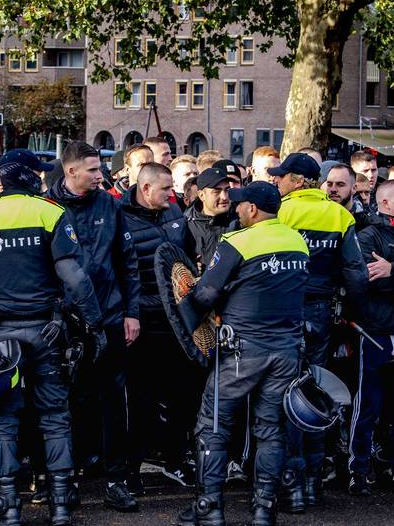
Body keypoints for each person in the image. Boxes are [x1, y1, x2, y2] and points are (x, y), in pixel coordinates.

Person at [0, 149, 105, 526]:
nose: (42, 177)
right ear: (28, 177)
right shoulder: (50, 213)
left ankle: (7, 503)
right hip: (47, 333)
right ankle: (61, 503)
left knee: (2, 417)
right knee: (54, 415)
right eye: (38, 172)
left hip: (0, 338)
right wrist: (94, 324)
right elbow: (74, 278)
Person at [176, 181, 308, 526]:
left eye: (240, 204)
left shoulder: (238, 241)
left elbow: (204, 295)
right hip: (286, 351)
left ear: (252, 209)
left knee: (213, 424)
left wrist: (192, 295)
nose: (235, 209)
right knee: (271, 428)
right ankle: (264, 509)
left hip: (241, 350)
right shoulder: (297, 241)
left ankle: (209, 508)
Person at [46, 141, 141, 512]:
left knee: (113, 402)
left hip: (110, 317)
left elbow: (127, 261)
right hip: (64, 324)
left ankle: (115, 480)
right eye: (92, 170)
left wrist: (131, 312)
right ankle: (64, 480)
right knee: (64, 404)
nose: (101, 176)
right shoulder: (46, 208)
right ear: (71, 172)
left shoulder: (109, 205)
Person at [272, 152, 367, 512]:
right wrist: (352, 312)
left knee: (283, 398)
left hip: (281, 312)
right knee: (312, 394)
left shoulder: (280, 211)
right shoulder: (339, 215)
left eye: (283, 176)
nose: (278, 181)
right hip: (320, 312)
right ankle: (312, 483)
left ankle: (292, 485)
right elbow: (356, 274)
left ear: (297, 181)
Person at [121, 163, 193, 488]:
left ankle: (175, 461)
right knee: (142, 402)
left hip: (177, 323)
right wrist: (128, 312)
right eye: (166, 189)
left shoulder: (175, 213)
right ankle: (131, 469)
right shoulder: (119, 217)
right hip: (143, 324)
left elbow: (187, 259)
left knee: (182, 396)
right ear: (147, 189)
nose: (172, 194)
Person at [349, 179, 394, 495]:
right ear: (385, 203)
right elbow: (366, 280)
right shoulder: (368, 235)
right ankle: (358, 471)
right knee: (368, 406)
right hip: (375, 337)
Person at [184, 166, 240, 267]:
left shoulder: (240, 220)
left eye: (227, 190)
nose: (224, 197)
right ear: (201, 195)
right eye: (216, 191)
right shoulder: (186, 224)